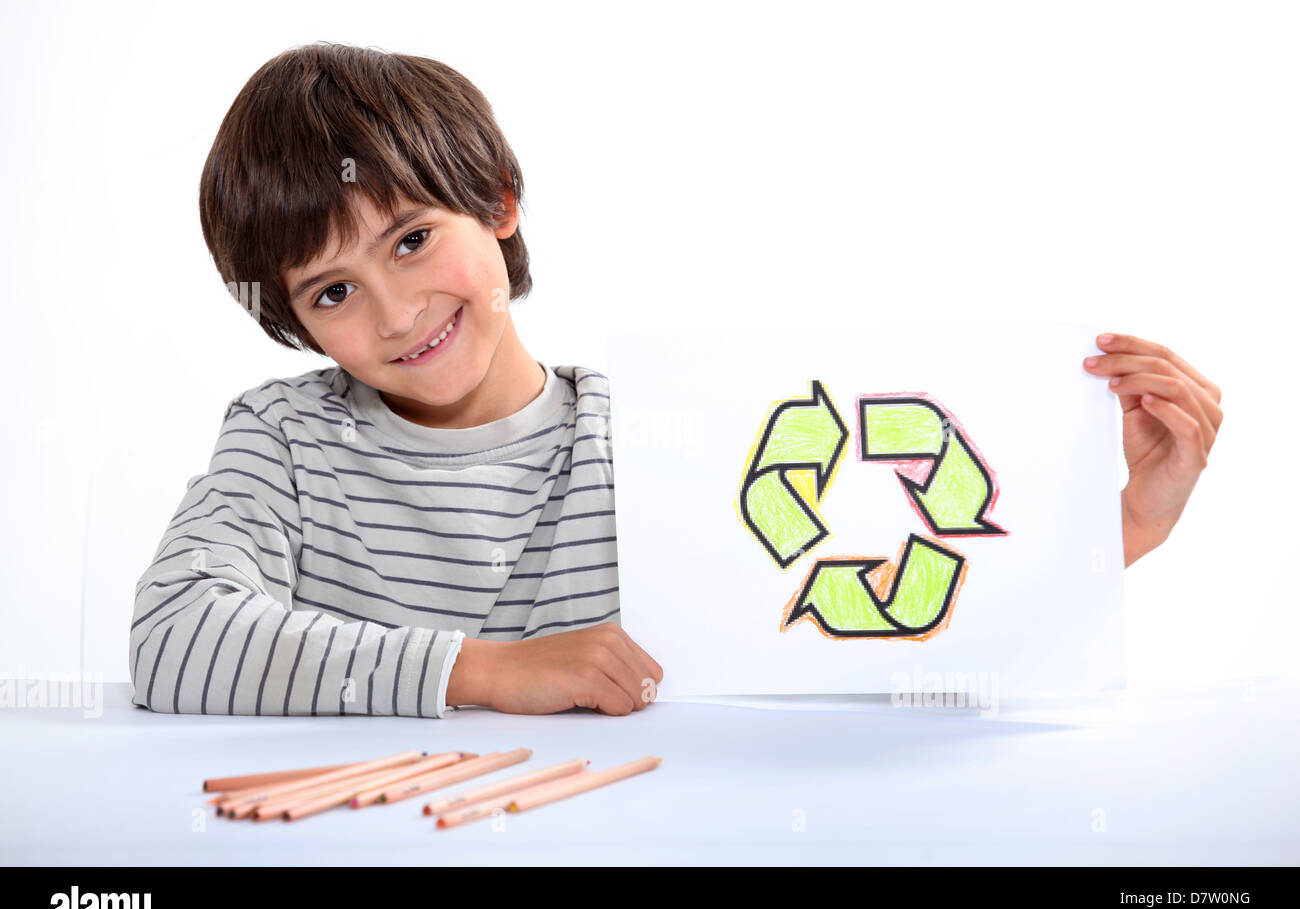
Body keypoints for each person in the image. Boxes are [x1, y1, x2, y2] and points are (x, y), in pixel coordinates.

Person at [129, 43, 1221, 720]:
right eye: (331, 292)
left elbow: (853, 643)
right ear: (295, 321)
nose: (395, 311)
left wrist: (1120, 526)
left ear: (498, 201)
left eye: (412, 239)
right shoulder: (283, 441)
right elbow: (174, 638)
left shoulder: (656, 434)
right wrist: (488, 670)